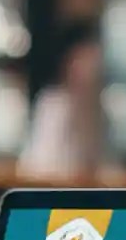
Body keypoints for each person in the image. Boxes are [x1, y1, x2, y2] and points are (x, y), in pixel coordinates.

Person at [18, 21, 113, 179]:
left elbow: (111, 168)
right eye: (85, 58)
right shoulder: (53, 105)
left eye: (96, 59)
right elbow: (40, 167)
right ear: (68, 62)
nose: (93, 68)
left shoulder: (101, 111)